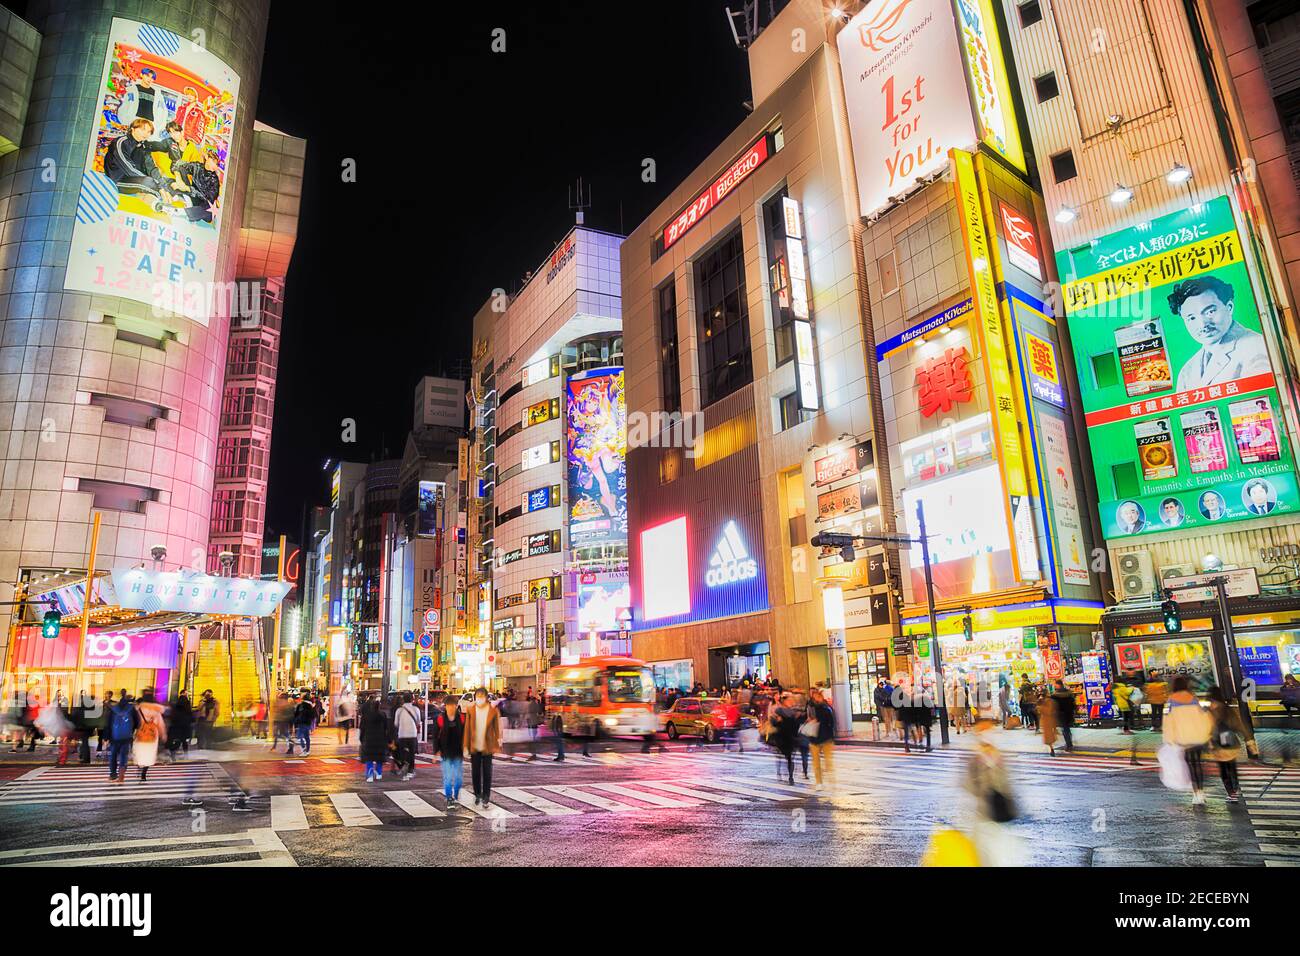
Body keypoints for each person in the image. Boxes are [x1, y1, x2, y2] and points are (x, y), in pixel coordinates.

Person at [1170, 275, 1271, 391]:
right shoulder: (1187, 370)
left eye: (1210, 312)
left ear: (1229, 307)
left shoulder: (1256, 346)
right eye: (1192, 318)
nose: (1203, 325)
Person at [963, 718, 1023, 865]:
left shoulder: (998, 754)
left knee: (997, 850)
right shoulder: (975, 757)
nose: (990, 735)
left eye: (990, 731)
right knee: (984, 850)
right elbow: (968, 784)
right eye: (986, 732)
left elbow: (1007, 780)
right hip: (983, 812)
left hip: (999, 809)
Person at [1163, 675, 1213, 806]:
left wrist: (1170, 739)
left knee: (1190, 765)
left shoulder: (1171, 701)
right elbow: (1204, 717)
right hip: (1198, 737)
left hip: (1183, 738)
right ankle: (1201, 792)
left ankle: (1196, 794)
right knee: (1198, 764)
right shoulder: (1194, 698)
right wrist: (1207, 734)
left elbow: (1168, 721)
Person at [1204, 685, 1246, 802]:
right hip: (1232, 744)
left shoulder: (1210, 712)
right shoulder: (1228, 709)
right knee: (1232, 767)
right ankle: (1236, 789)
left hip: (1218, 745)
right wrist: (1248, 739)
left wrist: (1208, 743)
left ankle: (1231, 792)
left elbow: (1208, 729)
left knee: (1223, 769)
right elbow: (1238, 725)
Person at [463, 688, 501, 807]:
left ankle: (486, 796)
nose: (479, 699)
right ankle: (477, 794)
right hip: (475, 746)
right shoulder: (470, 710)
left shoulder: (493, 711)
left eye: (481, 696)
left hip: (487, 746)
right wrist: (465, 745)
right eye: (477, 696)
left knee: (487, 772)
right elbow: (467, 728)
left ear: (485, 698)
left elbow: (497, 728)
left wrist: (498, 740)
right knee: (475, 773)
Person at [435, 695, 466, 805]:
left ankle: (456, 795)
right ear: (445, 706)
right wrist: (436, 751)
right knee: (447, 777)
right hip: (446, 752)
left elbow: (466, 734)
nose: (451, 707)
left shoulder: (462, 718)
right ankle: (449, 797)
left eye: (453, 705)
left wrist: (466, 747)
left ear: (456, 706)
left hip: (458, 752)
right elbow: (436, 736)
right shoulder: (440, 718)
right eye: (448, 705)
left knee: (458, 779)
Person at [133, 688, 166, 782]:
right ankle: (144, 773)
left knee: (140, 752)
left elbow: (135, 722)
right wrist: (163, 734)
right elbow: (160, 723)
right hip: (152, 734)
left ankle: (139, 766)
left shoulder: (139, 709)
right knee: (149, 755)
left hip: (140, 733)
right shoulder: (156, 710)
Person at [768, 692, 802, 784]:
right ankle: (782, 773)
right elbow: (774, 722)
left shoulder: (792, 711)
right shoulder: (781, 711)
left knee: (789, 758)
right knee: (784, 757)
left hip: (790, 737)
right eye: (789, 700)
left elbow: (797, 724)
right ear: (785, 701)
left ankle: (790, 777)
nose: (791, 702)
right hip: (783, 737)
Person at [806, 687, 836, 790]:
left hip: (826, 737)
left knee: (828, 761)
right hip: (814, 737)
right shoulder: (810, 707)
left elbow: (831, 722)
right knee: (816, 762)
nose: (816, 698)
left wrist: (832, 736)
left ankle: (829, 777)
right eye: (813, 695)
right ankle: (819, 782)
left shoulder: (826, 708)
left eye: (817, 696)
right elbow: (806, 719)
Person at [107, 690, 137, 782]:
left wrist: (106, 737)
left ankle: (113, 774)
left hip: (114, 737)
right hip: (126, 737)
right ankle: (121, 775)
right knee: (124, 756)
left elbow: (108, 724)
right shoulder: (132, 709)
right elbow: (137, 723)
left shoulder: (113, 709)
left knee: (113, 756)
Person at [358, 698, 390, 783]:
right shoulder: (383, 715)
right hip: (380, 740)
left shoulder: (366, 716)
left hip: (369, 739)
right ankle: (379, 773)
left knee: (369, 758)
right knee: (379, 758)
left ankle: (370, 775)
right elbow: (386, 728)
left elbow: (362, 729)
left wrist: (361, 739)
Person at [393, 691, 422, 781]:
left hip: (402, 734)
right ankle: (411, 770)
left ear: (403, 700)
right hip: (412, 734)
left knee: (402, 752)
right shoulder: (416, 709)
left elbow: (396, 723)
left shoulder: (399, 710)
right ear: (412, 700)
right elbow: (418, 721)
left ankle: (403, 765)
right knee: (412, 753)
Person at [1050, 681, 1076, 752]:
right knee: (1067, 729)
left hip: (1061, 714)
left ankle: (1069, 745)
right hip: (1069, 713)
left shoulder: (1055, 695)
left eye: (1055, 684)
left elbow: (1053, 705)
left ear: (1058, 685)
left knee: (1065, 729)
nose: (1054, 686)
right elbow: (1073, 703)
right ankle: (1069, 743)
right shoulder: (1069, 693)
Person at [167, 694, 193, 760]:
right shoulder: (188, 708)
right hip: (185, 728)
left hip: (176, 728)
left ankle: (173, 756)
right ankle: (186, 756)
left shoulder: (175, 708)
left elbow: (172, 717)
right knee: (184, 742)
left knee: (176, 741)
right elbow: (192, 719)